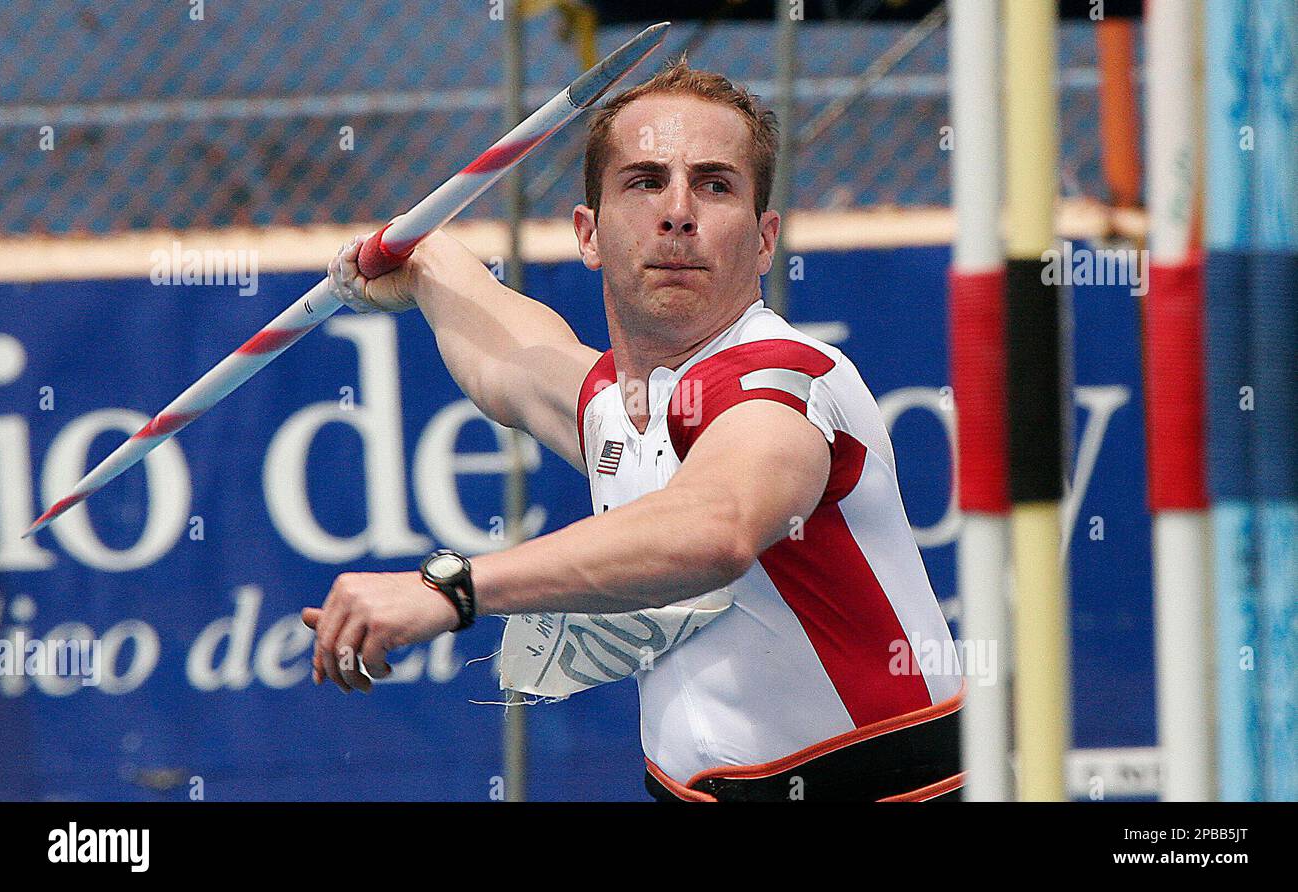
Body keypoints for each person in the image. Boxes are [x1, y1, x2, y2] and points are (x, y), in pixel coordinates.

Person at [302, 59, 964, 802]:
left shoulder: (783, 378)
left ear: (765, 238)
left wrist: (451, 590)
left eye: (715, 185)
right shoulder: (623, 405)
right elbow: (510, 358)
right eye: (645, 182)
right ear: (588, 234)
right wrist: (420, 255)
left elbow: (715, 528)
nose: (678, 212)